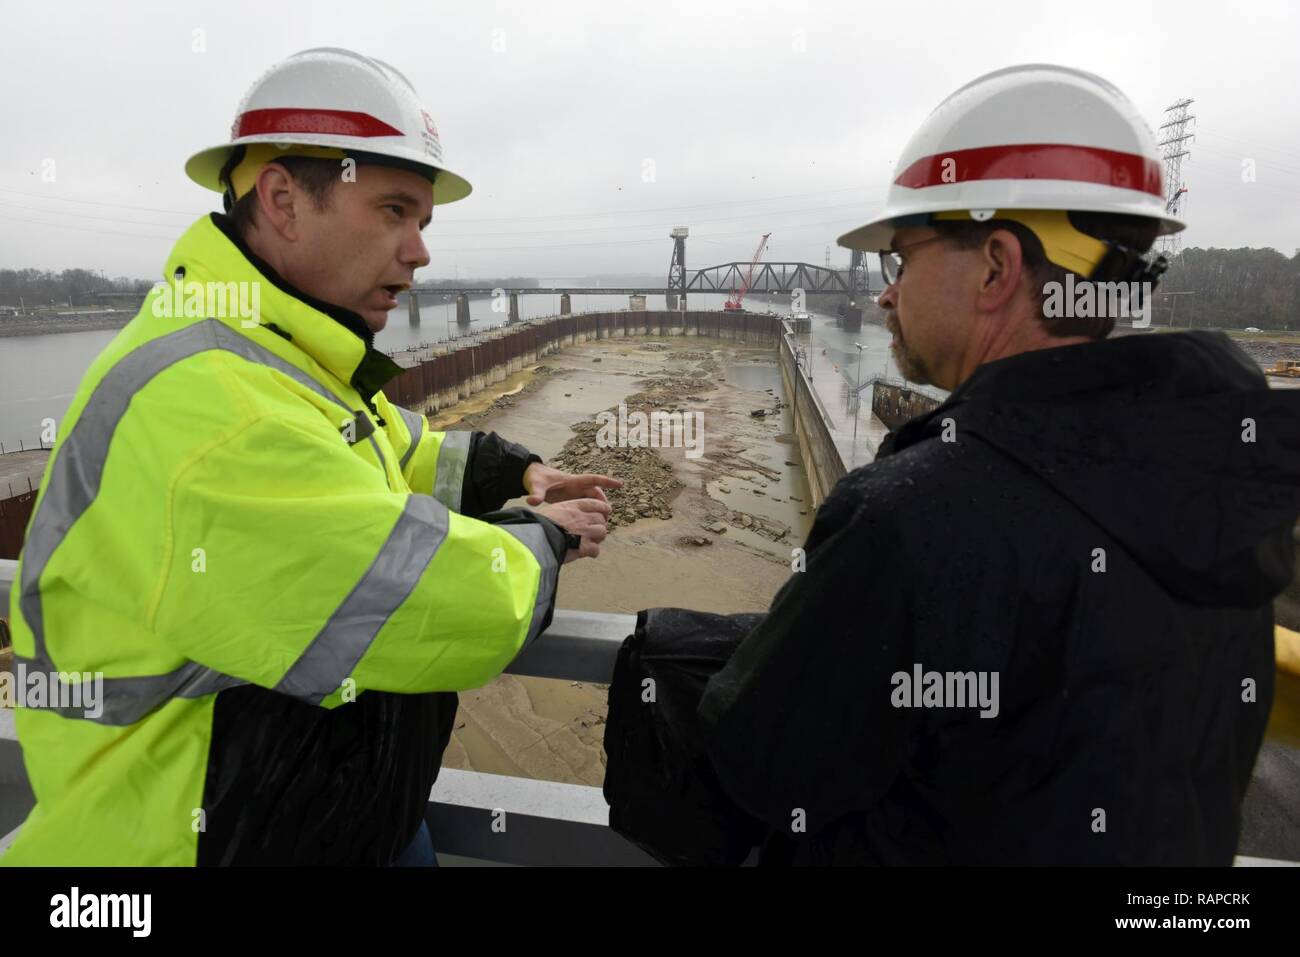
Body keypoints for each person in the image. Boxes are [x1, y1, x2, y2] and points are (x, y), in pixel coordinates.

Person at [3, 47, 619, 866]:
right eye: (395, 210)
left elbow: (393, 447)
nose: (421, 251)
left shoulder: (277, 356)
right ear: (285, 200)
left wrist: (515, 472)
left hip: (331, 818)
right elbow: (431, 598)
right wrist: (545, 533)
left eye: (425, 222)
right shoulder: (207, 407)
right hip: (187, 843)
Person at [696, 64, 1300, 864]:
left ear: (995, 266)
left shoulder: (919, 515)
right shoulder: (1224, 478)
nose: (883, 295)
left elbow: (765, 762)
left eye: (899, 257)